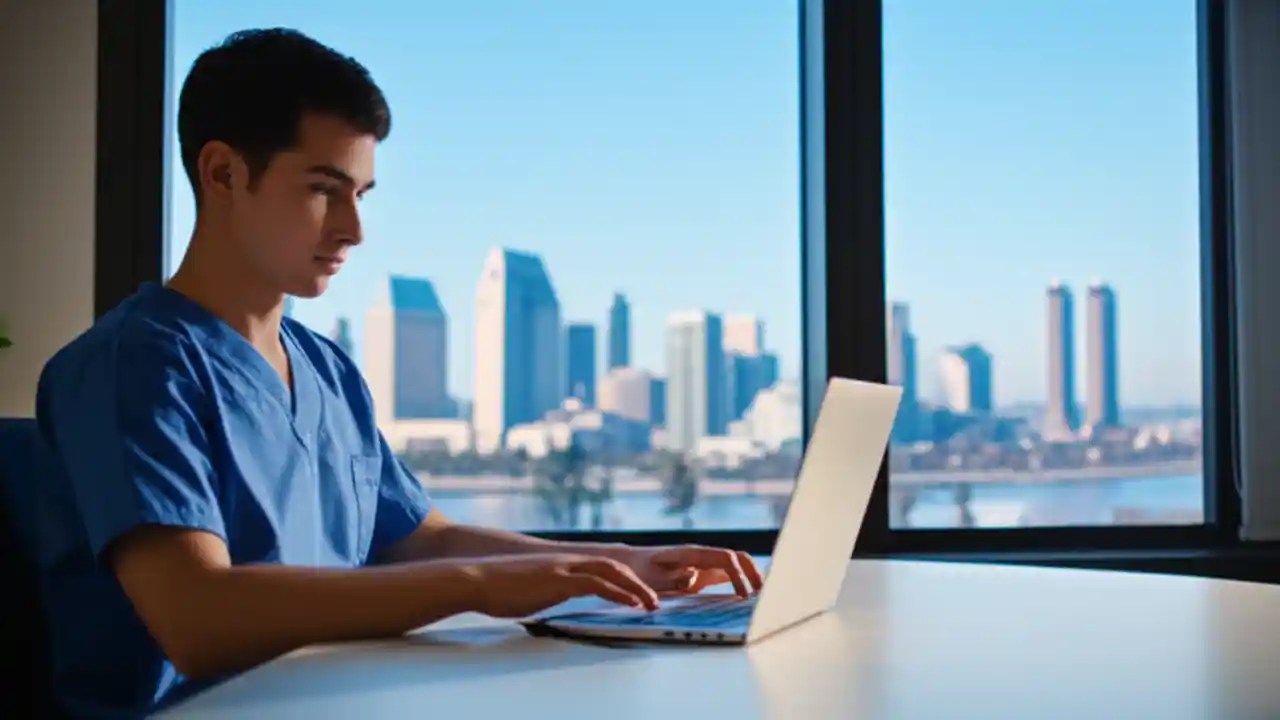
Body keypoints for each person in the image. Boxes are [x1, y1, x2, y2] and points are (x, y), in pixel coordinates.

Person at [35, 28, 763, 719]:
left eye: (361, 194)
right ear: (223, 173)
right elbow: (196, 614)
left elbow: (421, 538)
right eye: (324, 188)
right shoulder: (133, 368)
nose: (354, 229)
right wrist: (479, 588)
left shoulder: (326, 369)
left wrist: (614, 561)